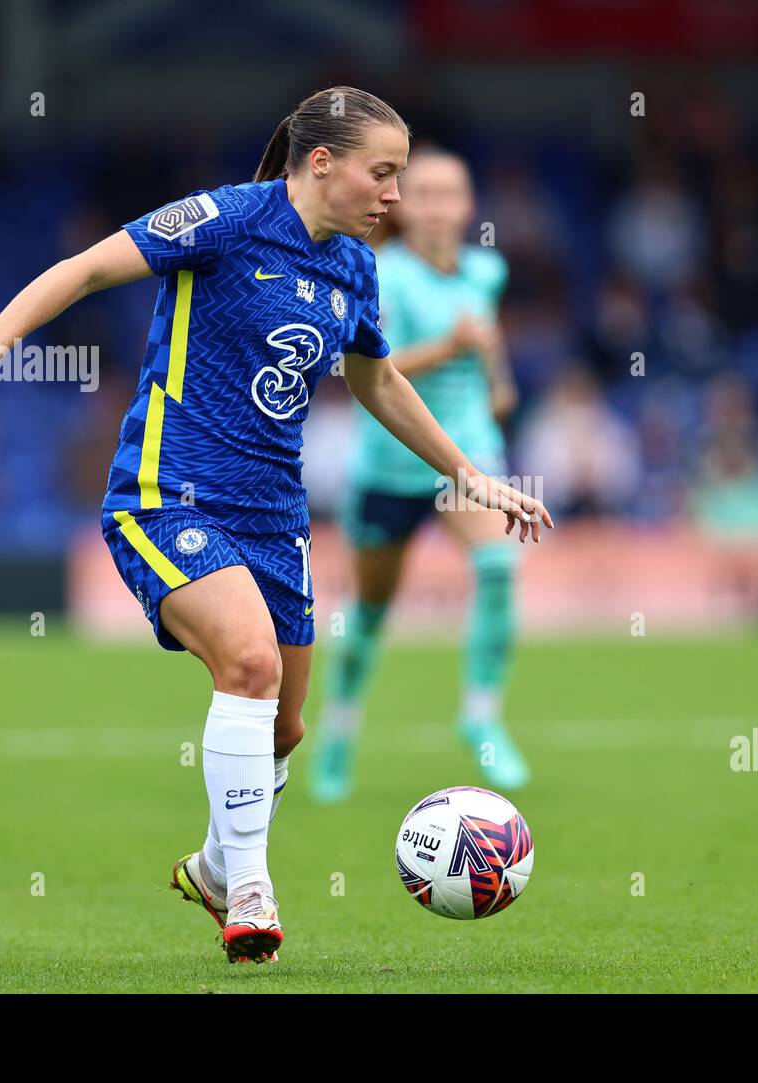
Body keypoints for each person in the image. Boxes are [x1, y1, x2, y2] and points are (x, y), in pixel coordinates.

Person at [0, 87, 552, 965]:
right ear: (322, 163)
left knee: (285, 728)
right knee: (249, 662)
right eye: (384, 172)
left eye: (402, 176)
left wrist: (470, 475)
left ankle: (217, 864)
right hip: (167, 490)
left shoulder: (355, 266)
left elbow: (377, 383)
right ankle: (250, 890)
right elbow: (88, 269)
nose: (396, 196)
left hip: (273, 514)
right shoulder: (224, 217)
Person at [310, 147, 530, 802]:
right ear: (405, 208)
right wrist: (451, 347)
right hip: (389, 462)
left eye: (449, 193)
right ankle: (339, 732)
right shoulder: (381, 272)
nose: (436, 205)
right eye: (423, 193)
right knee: (369, 615)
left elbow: (487, 339)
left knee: (498, 566)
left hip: (467, 454)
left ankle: (482, 717)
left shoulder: (487, 270)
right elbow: (373, 369)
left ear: (468, 206)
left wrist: (499, 380)